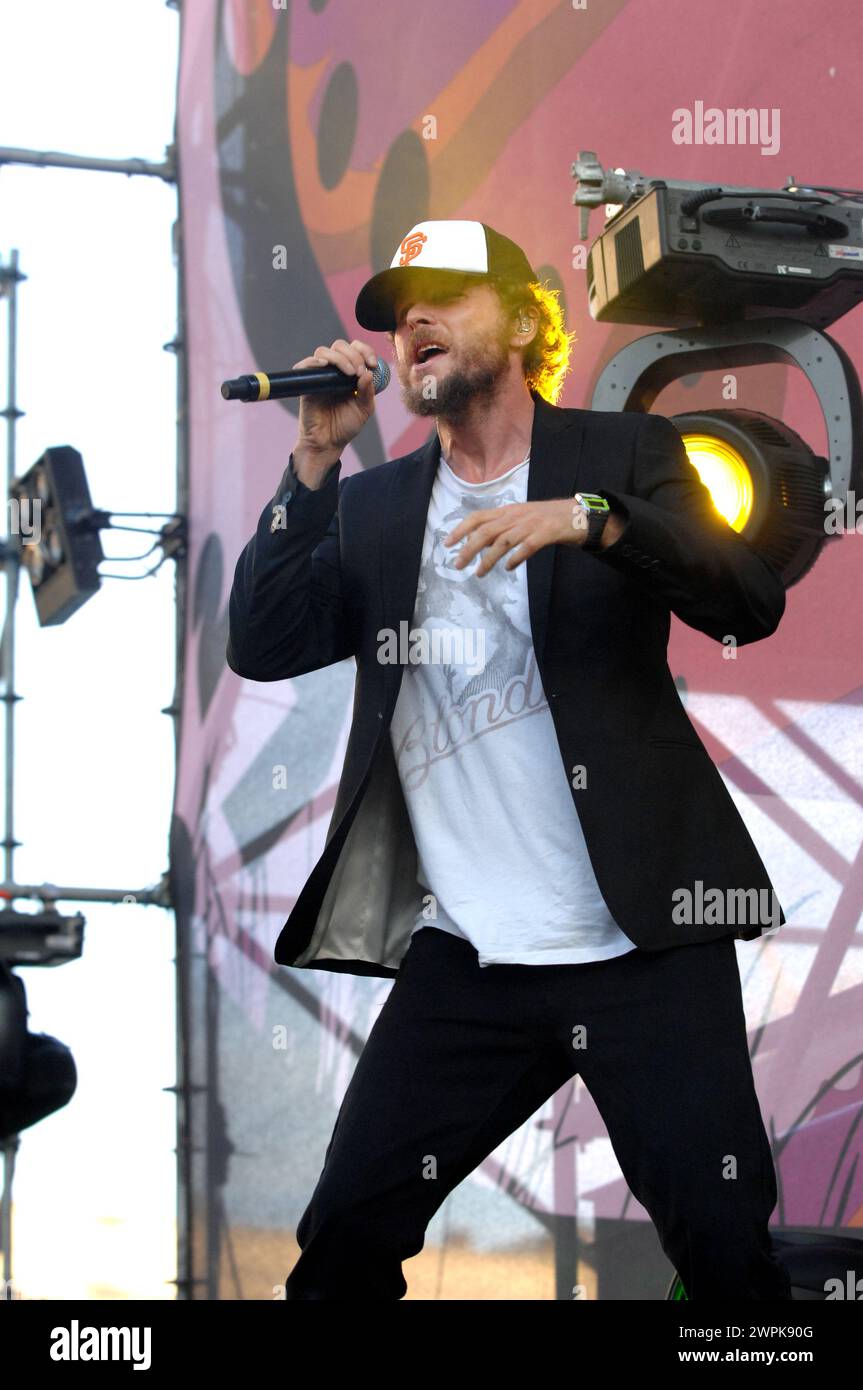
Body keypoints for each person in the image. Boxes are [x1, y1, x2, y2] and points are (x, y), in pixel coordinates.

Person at [226, 219, 792, 1300]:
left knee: (724, 1254)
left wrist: (591, 521)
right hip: (470, 958)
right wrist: (312, 459)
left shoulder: (617, 458)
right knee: (341, 1244)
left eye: (445, 295)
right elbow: (263, 642)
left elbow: (745, 600)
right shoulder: (375, 504)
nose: (413, 324)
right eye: (398, 314)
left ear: (527, 319)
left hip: (639, 946)